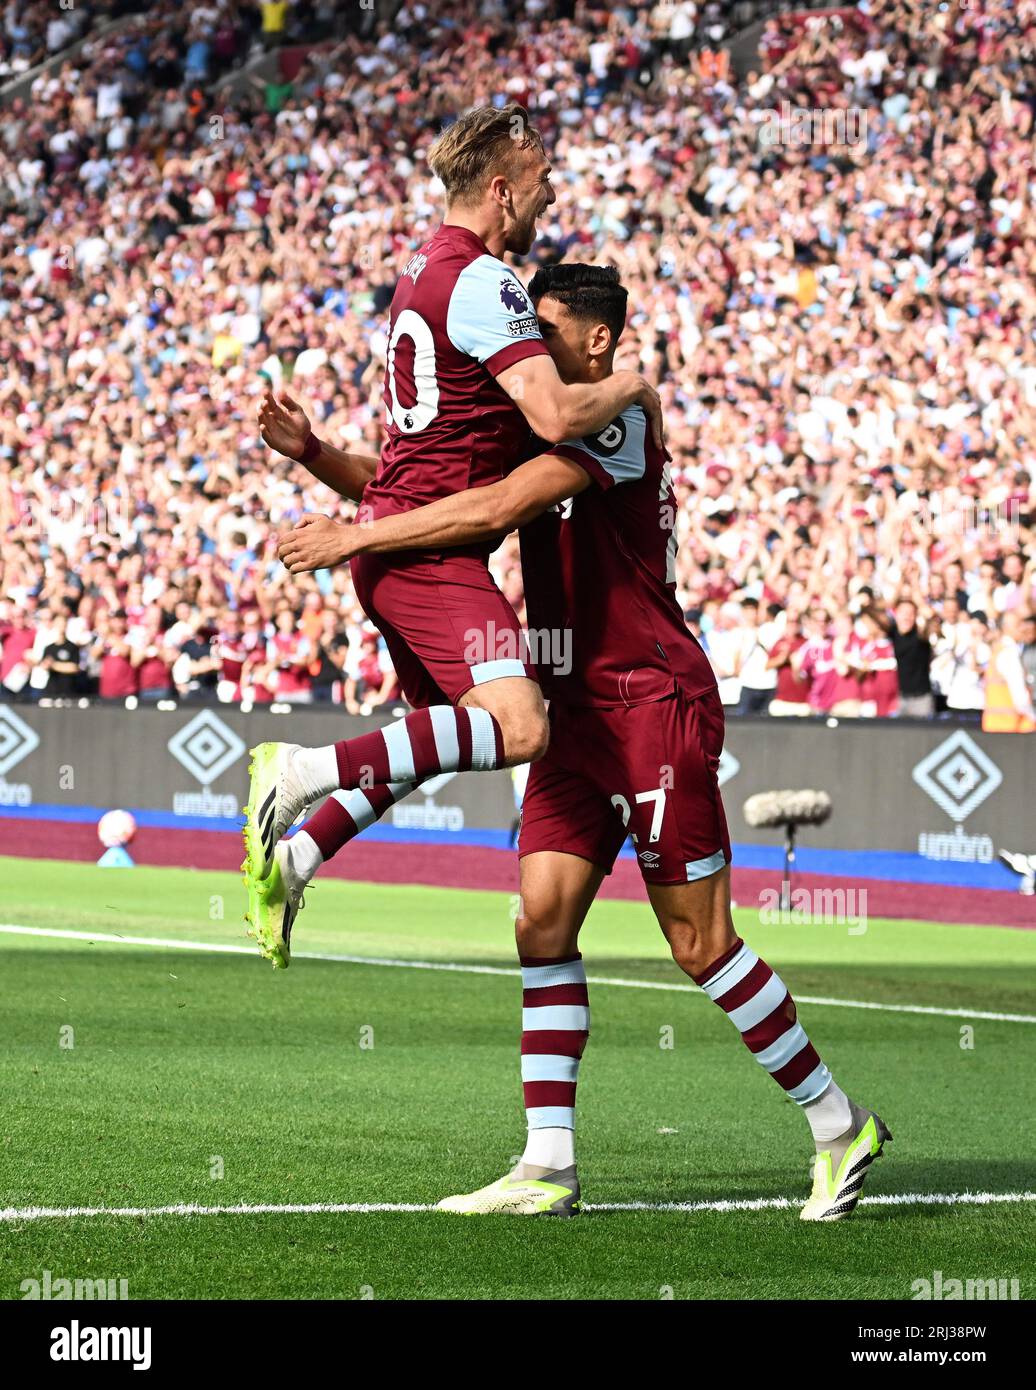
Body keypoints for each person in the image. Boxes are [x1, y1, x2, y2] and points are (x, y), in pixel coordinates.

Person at [268, 264, 890, 1224]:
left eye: (540, 328)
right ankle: (547, 1164)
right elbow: (416, 498)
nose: (517, 344)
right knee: (541, 923)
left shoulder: (614, 423)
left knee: (699, 944)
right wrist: (316, 454)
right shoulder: (539, 416)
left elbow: (495, 511)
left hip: (652, 703)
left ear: (593, 342)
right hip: (569, 711)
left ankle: (836, 1121)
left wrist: (350, 544)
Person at [242, 104, 663, 927]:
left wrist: (315, 456)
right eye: (541, 184)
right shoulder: (482, 281)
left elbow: (405, 473)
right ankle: (295, 774)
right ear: (501, 192)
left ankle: (298, 857)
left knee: (440, 735)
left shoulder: (421, 278)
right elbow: (551, 416)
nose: (549, 200)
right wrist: (633, 385)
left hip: (401, 548)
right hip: (426, 559)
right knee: (519, 726)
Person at [982, 611, 1036, 734]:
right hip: (1013, 729)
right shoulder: (1009, 654)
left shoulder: (999, 651)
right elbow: (1020, 698)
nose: (1023, 628)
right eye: (1018, 625)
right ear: (1006, 628)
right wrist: (1033, 716)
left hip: (995, 726)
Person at [890, 597, 934, 719]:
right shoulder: (891, 632)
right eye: (903, 612)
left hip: (921, 699)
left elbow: (930, 624)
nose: (907, 617)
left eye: (911, 613)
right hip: (899, 698)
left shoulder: (921, 635)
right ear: (896, 614)